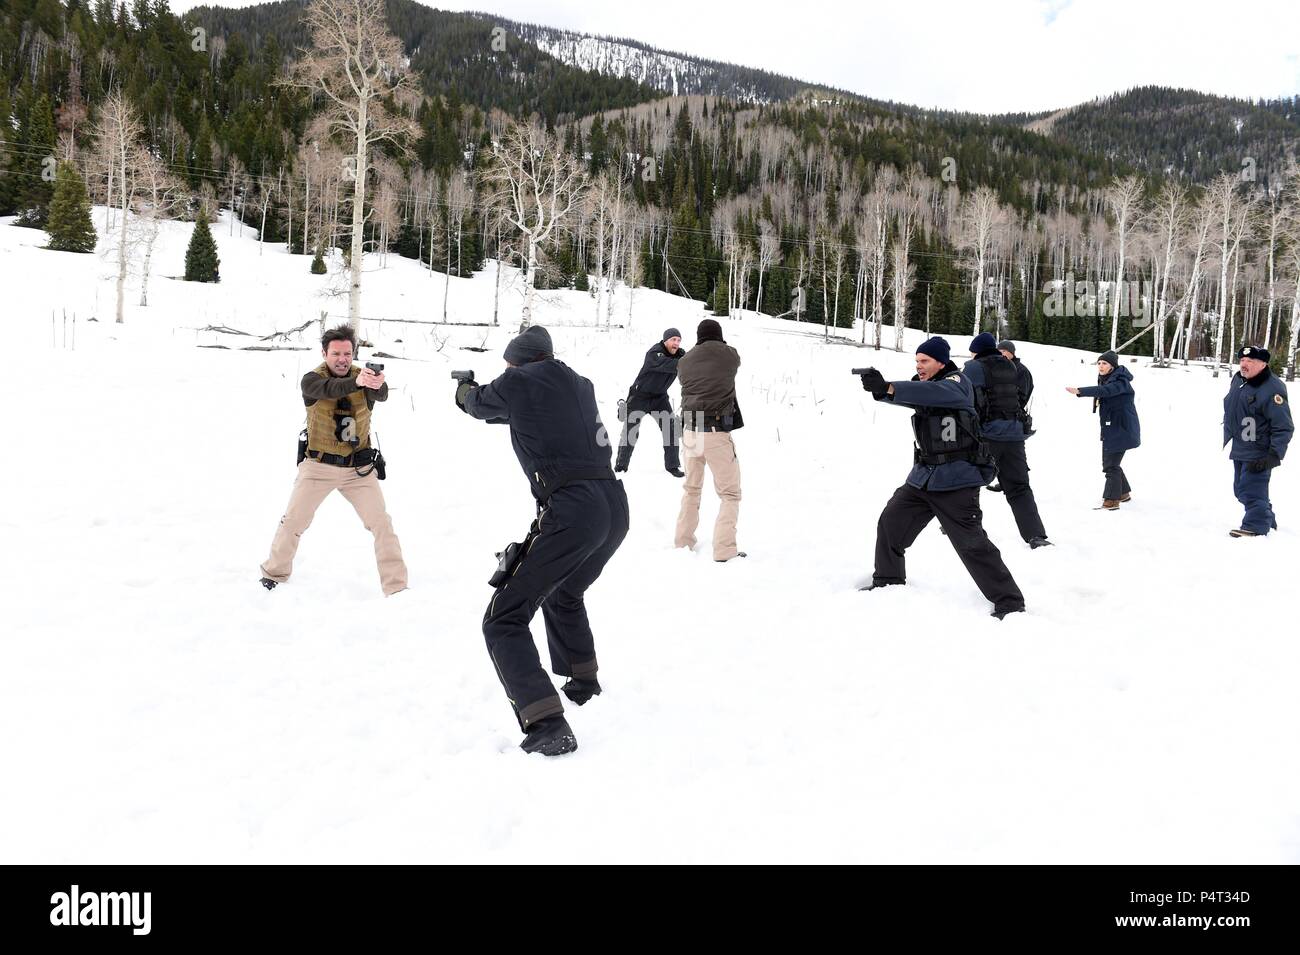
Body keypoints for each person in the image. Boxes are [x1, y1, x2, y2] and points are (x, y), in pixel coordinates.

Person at [456, 325, 629, 757]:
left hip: (573, 509)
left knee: (503, 618)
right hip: (614, 506)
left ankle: (547, 723)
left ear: (517, 360)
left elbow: (481, 405)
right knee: (565, 591)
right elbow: (518, 413)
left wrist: (464, 390)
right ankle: (583, 681)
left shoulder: (518, 381)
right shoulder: (579, 384)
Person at [859, 336, 1026, 619]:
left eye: (924, 361)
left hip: (957, 481)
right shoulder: (929, 386)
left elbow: (934, 395)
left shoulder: (957, 384)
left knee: (973, 546)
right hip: (923, 478)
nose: (919, 366)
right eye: (916, 361)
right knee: (890, 523)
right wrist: (881, 391)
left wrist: (890, 386)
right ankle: (888, 580)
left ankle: (1010, 602)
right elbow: (919, 395)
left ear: (940, 362)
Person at [259, 325, 407, 595]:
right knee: (293, 521)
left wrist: (377, 383)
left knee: (382, 524)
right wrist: (358, 382)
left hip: (358, 470)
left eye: (347, 353)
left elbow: (381, 394)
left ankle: (397, 587)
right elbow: (329, 388)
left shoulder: (363, 377)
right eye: (336, 353)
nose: (342, 359)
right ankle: (274, 573)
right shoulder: (312, 380)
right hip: (318, 467)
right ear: (324, 353)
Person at [963, 333, 1050, 548]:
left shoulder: (973, 368)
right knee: (1019, 487)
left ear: (977, 352)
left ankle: (959, 526)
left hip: (987, 436)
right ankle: (1035, 536)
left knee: (968, 482)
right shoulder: (1012, 367)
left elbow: (965, 399)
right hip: (1014, 435)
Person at [673, 319, 745, 562]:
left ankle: (683, 542)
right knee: (730, 494)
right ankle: (724, 550)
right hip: (715, 432)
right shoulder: (729, 355)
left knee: (691, 489)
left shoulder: (684, 361)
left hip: (690, 432)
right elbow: (734, 361)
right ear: (719, 335)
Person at [1222, 345, 1293, 537]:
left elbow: (1283, 426)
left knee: (1250, 489)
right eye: (1242, 361)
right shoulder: (1239, 380)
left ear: (1263, 364)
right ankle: (1267, 519)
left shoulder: (1272, 388)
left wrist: (1274, 454)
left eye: (1250, 361)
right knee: (1240, 489)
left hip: (1259, 449)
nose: (1244, 365)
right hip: (1241, 445)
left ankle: (1255, 526)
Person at [1066, 350, 1140, 510]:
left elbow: (1106, 392)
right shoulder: (1106, 378)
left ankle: (1112, 500)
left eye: (1104, 363)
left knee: (1110, 465)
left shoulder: (1121, 382)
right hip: (1112, 427)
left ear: (1112, 366)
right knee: (1112, 462)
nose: (1100, 366)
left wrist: (1080, 391)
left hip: (1122, 428)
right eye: (1099, 363)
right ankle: (1123, 493)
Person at [615, 328, 687, 477]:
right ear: (665, 340)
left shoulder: (681, 355)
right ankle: (621, 465)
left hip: (660, 398)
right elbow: (670, 365)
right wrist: (687, 362)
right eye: (673, 339)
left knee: (670, 429)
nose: (676, 343)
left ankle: (672, 466)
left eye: (679, 340)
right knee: (630, 431)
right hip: (639, 396)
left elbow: (690, 366)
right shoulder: (654, 353)